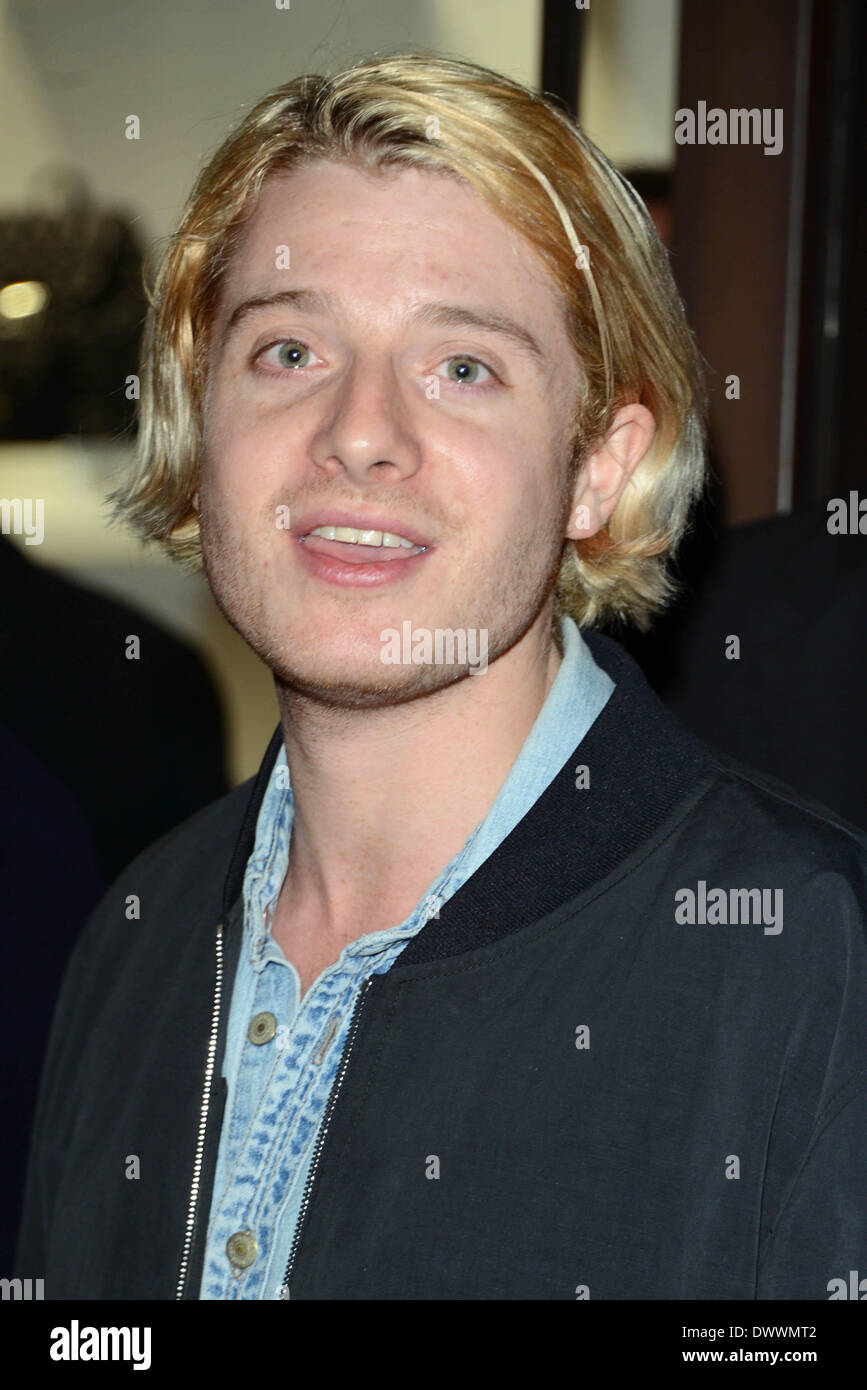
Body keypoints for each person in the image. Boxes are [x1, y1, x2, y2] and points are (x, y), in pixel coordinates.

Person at [15, 52, 867, 1301]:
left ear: (597, 466)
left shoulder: (810, 966)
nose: (360, 430)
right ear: (201, 430)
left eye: (462, 367)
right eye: (289, 351)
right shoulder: (136, 937)